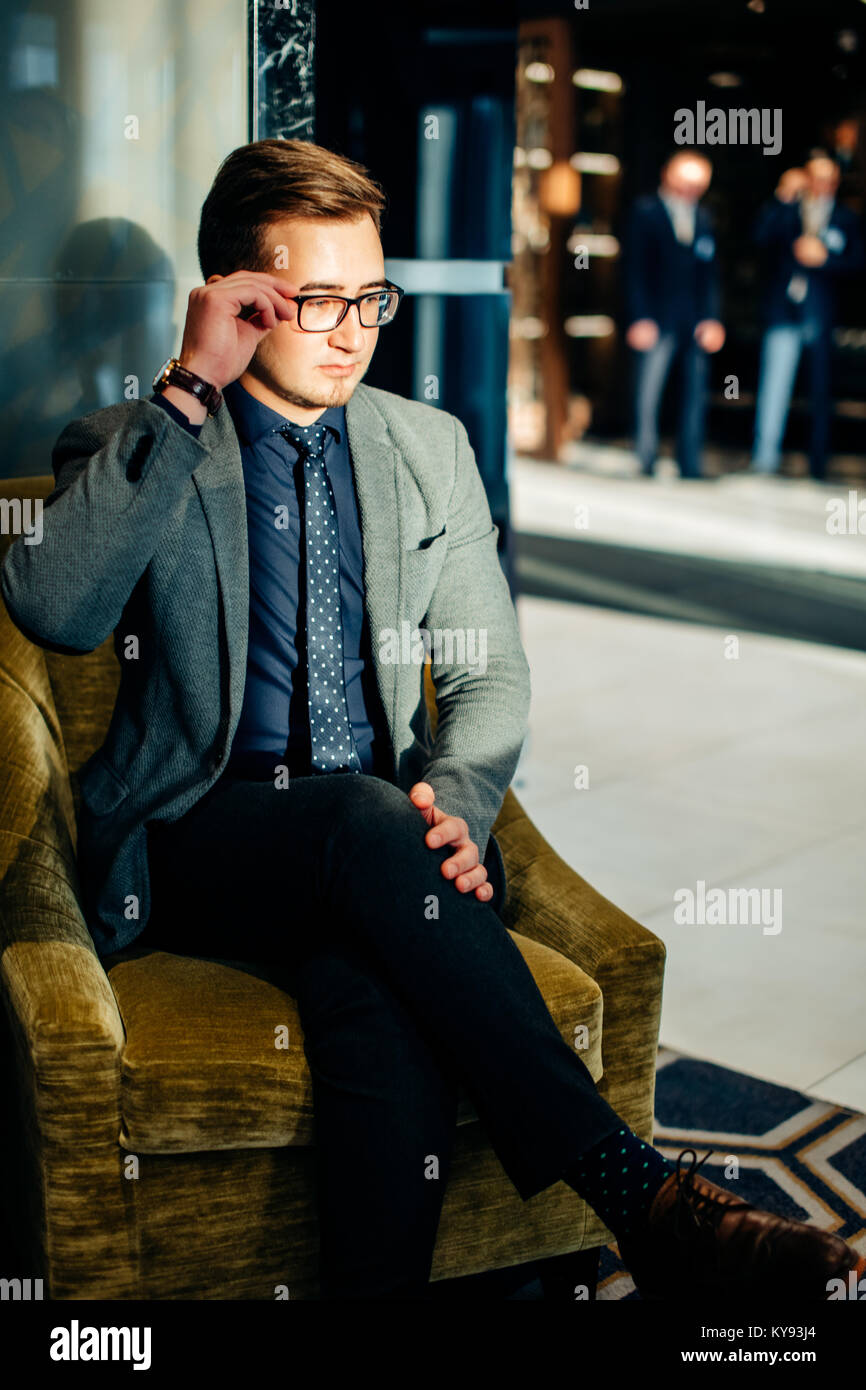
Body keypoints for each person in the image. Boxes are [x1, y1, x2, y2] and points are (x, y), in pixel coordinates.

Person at [2, 138, 862, 1303]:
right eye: (318, 301)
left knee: (377, 998)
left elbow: (491, 674)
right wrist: (190, 383)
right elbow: (54, 605)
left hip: (380, 849)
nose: (354, 330)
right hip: (206, 837)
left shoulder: (426, 448)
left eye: (371, 297)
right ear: (240, 303)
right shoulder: (140, 444)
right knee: (362, 821)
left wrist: (455, 798)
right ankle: (641, 1195)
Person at [749, 153, 864, 479]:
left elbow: (857, 264)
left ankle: (818, 463)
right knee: (774, 383)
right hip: (784, 309)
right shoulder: (787, 212)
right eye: (816, 178)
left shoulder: (846, 218)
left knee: (820, 390)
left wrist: (824, 259)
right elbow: (759, 238)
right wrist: (783, 196)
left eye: (829, 180)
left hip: (821, 313)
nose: (822, 186)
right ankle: (765, 458)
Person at [624, 151, 725, 479]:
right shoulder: (645, 214)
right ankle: (645, 455)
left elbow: (709, 276)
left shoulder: (705, 218)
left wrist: (711, 318)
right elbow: (634, 272)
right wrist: (640, 317)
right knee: (650, 389)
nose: (691, 190)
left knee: (694, 391)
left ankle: (689, 460)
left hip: (693, 319)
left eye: (698, 184)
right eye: (686, 181)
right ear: (668, 175)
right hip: (656, 316)